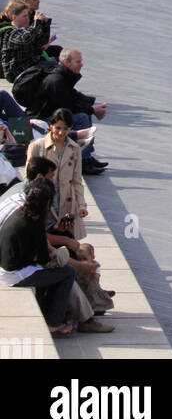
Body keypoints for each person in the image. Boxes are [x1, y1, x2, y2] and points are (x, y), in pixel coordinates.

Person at [0, 177, 76, 335]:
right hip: (14, 275)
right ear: (47, 203)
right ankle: (54, 323)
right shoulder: (34, 222)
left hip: (6, 269)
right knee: (68, 272)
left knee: (47, 272)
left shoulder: (19, 213)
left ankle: (48, 313)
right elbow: (44, 259)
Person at [34, 49, 109, 175]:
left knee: (85, 114)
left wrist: (92, 105)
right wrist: (92, 110)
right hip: (43, 119)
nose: (81, 64)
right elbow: (68, 106)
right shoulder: (56, 80)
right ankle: (83, 162)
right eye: (78, 62)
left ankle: (87, 156)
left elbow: (74, 96)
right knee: (83, 117)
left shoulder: (64, 76)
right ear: (67, 63)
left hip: (54, 114)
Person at [26, 109, 86, 241]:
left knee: (66, 240)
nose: (61, 132)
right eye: (58, 128)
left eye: (65, 129)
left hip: (66, 204)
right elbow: (28, 178)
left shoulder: (74, 148)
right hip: (45, 201)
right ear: (51, 126)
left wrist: (81, 205)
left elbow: (77, 180)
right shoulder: (37, 146)